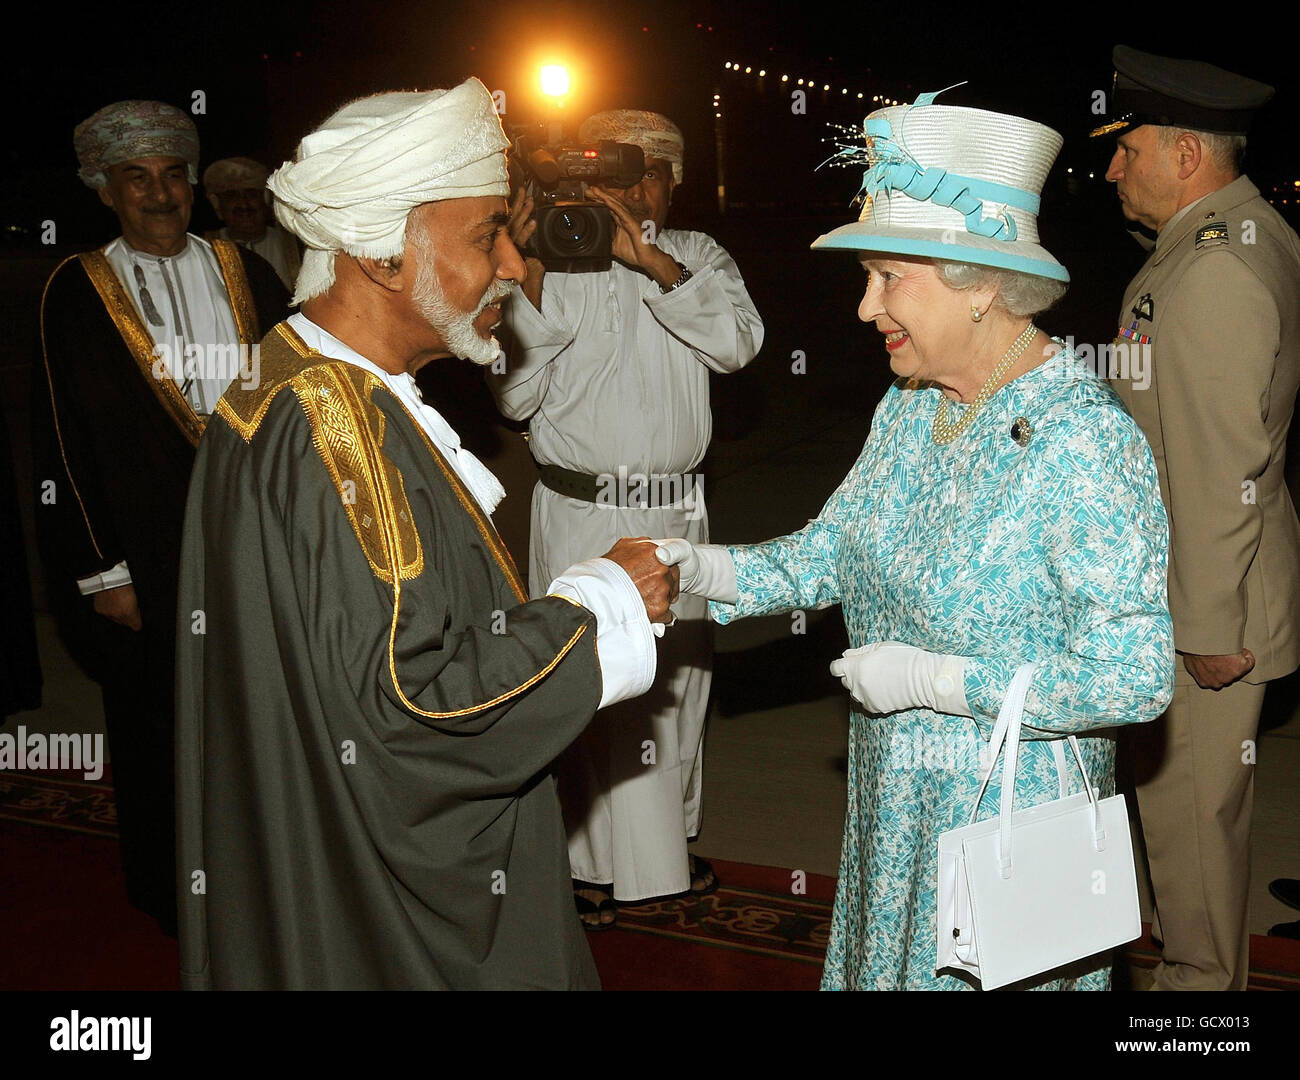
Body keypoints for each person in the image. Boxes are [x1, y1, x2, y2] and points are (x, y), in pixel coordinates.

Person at [658, 92, 1174, 989]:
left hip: (1010, 827)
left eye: (888, 276)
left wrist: (942, 683)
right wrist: (701, 567)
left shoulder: (1081, 438)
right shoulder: (910, 405)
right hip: (894, 805)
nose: (865, 308)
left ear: (978, 286)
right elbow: (833, 550)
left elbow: (1136, 673)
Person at [175, 79, 679, 989]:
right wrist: (601, 603)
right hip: (388, 915)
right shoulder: (343, 434)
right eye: (488, 234)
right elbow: (417, 718)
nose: (518, 268)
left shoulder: (284, 377)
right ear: (379, 254)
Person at [487, 109, 764, 927]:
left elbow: (739, 345)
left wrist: (650, 262)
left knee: (678, 688)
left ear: (670, 182)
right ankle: (585, 865)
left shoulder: (699, 258)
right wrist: (532, 276)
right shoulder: (548, 263)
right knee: (586, 683)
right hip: (578, 512)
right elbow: (511, 397)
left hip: (678, 511)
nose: (629, 191)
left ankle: (666, 846)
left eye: (645, 174)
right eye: (612, 176)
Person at [32, 100, 288, 933]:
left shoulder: (246, 271)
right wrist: (103, 571)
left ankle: (269, 872)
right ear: (104, 191)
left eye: (173, 174)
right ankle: (175, 890)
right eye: (136, 179)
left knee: (264, 708)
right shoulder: (75, 290)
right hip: (148, 553)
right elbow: (61, 443)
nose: (159, 194)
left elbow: (309, 396)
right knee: (161, 724)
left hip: (258, 538)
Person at [1094, 45, 1300, 991]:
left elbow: (1225, 470)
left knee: (1191, 832)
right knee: (1182, 825)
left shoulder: (1214, 269)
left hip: (1206, 601)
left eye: (1126, 149)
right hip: (1192, 583)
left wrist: (1207, 626)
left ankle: (1198, 1008)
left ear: (1186, 155)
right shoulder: (1225, 238)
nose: (1111, 170)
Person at [203, 156, 302, 290]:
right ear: (217, 204)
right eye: (232, 196)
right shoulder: (205, 247)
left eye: (251, 194)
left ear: (266, 200)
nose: (243, 204)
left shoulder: (291, 246)